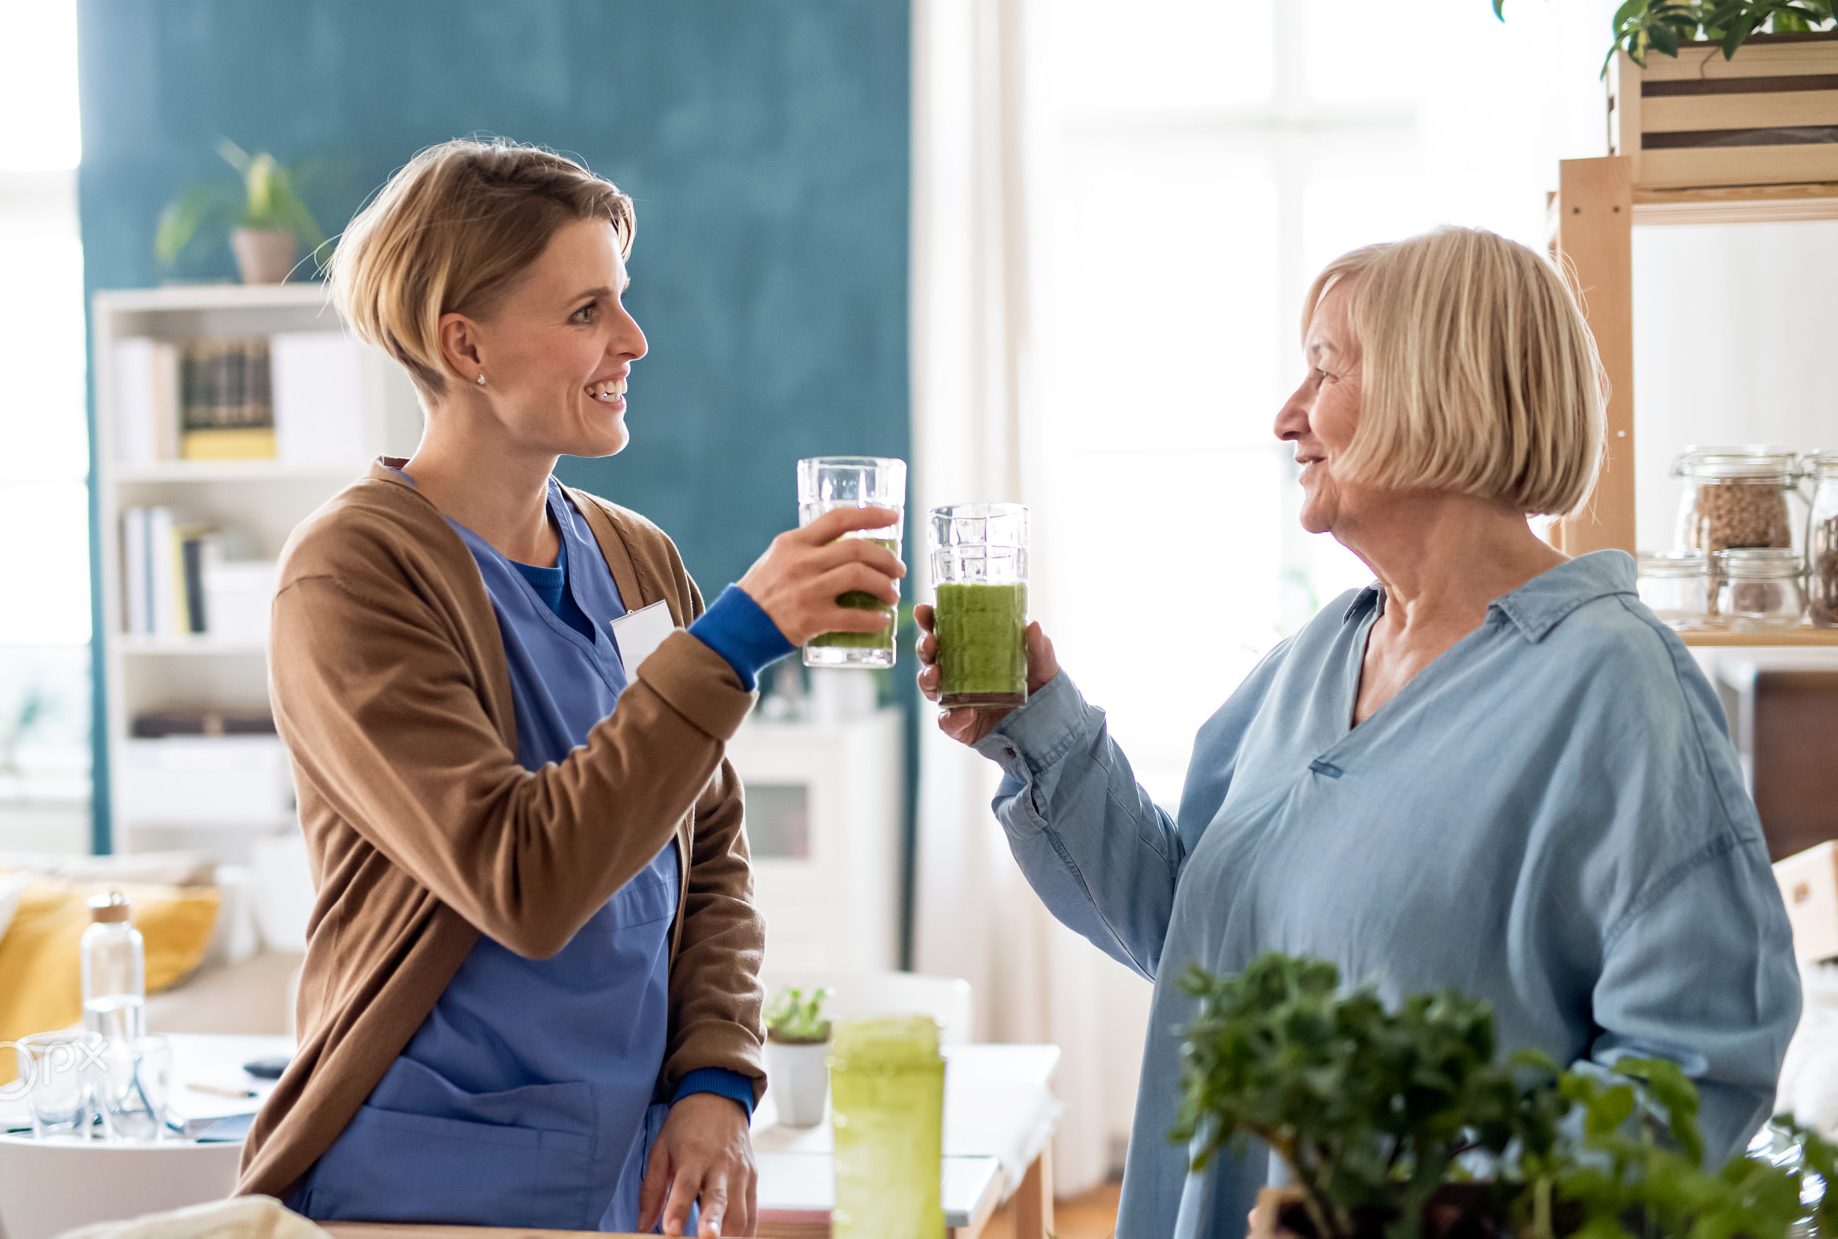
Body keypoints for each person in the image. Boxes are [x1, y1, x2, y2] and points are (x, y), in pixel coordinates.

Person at [915, 226, 1800, 1239]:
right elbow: (1191, 934)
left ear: (1441, 389)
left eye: (1324, 368)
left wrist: (1426, 1216)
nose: (1285, 415)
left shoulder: (1612, 684)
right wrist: (1036, 720)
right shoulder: (1311, 662)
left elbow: (1696, 1056)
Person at [235, 139, 904, 1236]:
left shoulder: (634, 558)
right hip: (422, 1184)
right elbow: (523, 876)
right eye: (588, 309)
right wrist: (735, 635)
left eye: (622, 303)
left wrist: (714, 1079)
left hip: (629, 1173)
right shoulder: (350, 575)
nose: (633, 341)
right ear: (467, 345)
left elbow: (710, 845)